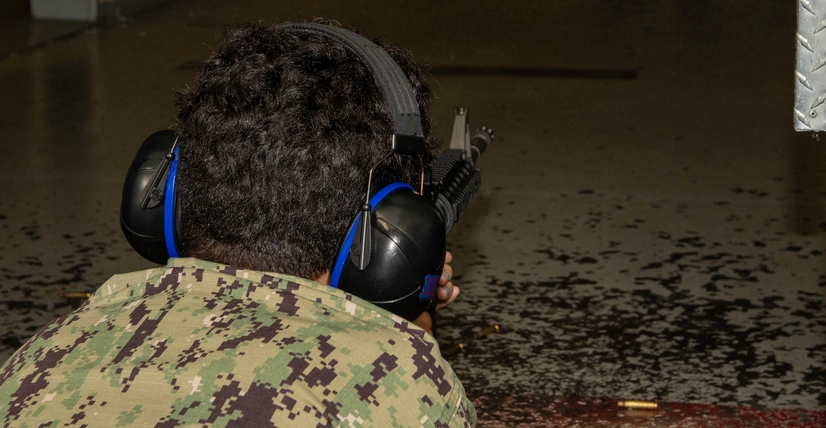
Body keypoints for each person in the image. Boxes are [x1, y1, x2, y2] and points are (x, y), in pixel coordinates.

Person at [0, 22, 475, 427]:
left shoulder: (36, 364)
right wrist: (403, 334)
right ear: (392, 230)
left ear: (164, 192)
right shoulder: (402, 386)